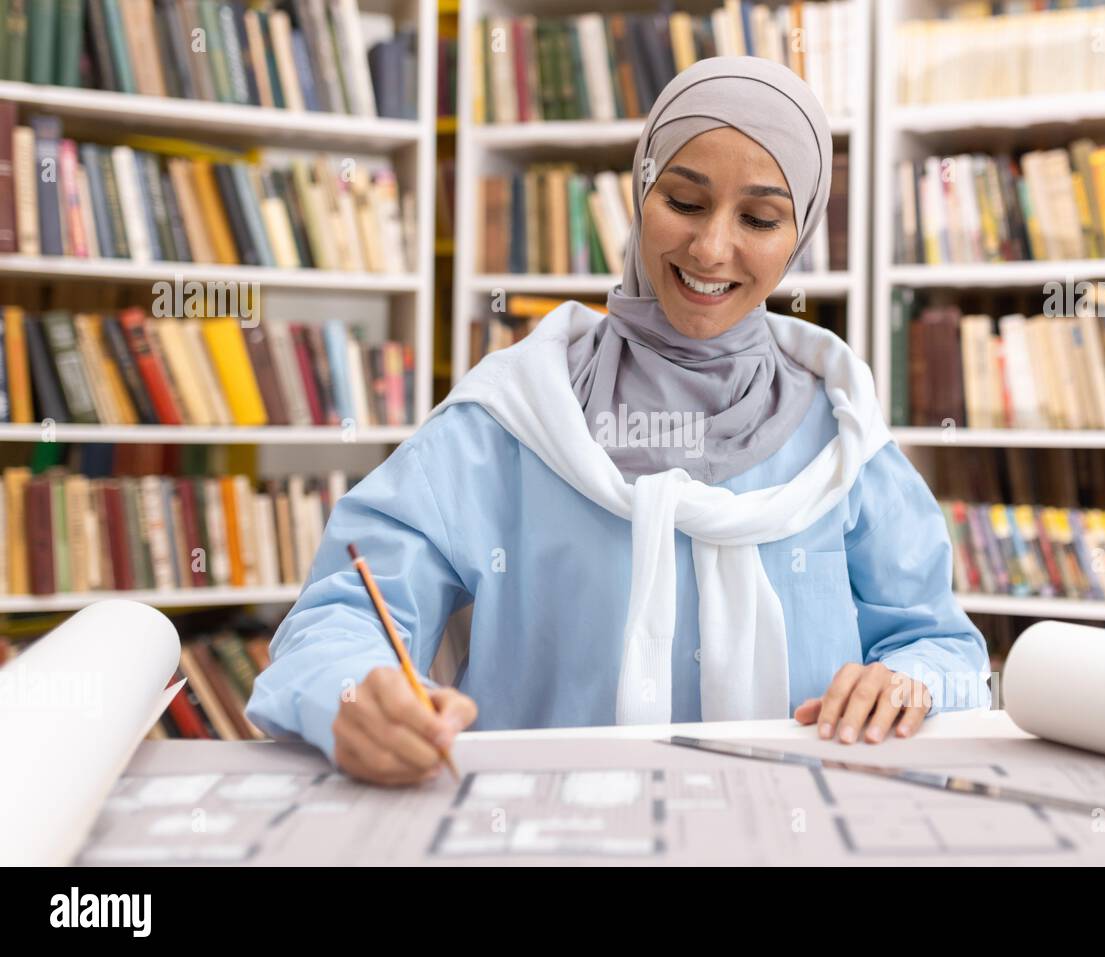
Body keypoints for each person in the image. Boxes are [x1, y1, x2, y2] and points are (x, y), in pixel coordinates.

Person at [246, 56, 991, 787]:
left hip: (794, 833)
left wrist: (910, 681)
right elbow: (342, 616)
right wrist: (353, 695)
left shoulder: (842, 436)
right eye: (685, 201)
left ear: (798, 235)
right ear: (639, 194)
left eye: (759, 217)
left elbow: (941, 645)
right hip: (539, 839)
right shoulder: (511, 417)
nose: (710, 248)